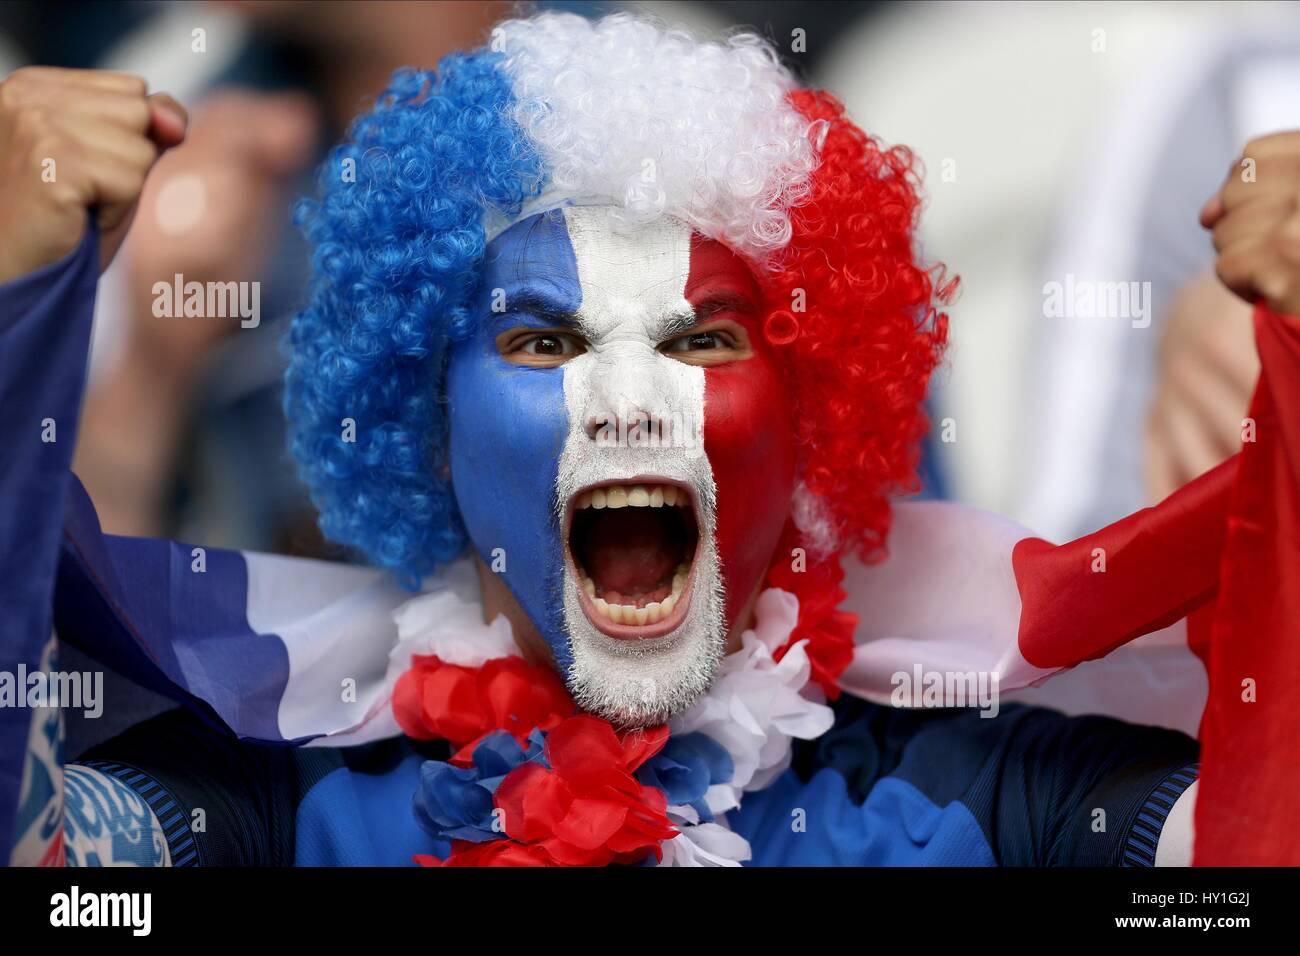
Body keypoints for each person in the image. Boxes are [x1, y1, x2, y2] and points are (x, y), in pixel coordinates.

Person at [2, 11, 1297, 867]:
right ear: (434, 431)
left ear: (816, 431)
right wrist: (11, 325)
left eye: (704, 341)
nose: (628, 406)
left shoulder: (981, 790)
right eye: (544, 345)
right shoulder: (286, 804)